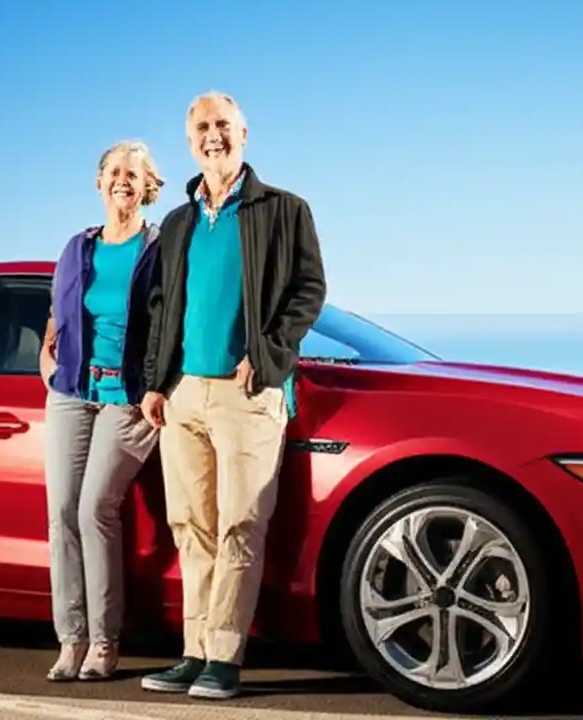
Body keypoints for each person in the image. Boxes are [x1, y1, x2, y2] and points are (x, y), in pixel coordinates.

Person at [138, 91, 327, 700]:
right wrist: (156, 382)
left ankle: (224, 657)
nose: (212, 135)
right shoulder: (178, 222)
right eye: (201, 127)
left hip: (248, 391)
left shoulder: (283, 209)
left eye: (222, 124)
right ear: (188, 139)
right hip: (184, 395)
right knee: (191, 526)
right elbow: (162, 306)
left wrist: (268, 353)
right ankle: (193, 652)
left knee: (241, 524)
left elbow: (309, 290)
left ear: (244, 133)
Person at [38, 140, 164, 682]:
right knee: (62, 512)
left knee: (95, 509)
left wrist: (157, 386)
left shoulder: (158, 249)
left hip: (128, 397)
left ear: (148, 186)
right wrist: (47, 360)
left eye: (133, 174)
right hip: (71, 392)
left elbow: (169, 323)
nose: (122, 181)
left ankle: (105, 641)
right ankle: (71, 639)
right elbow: (58, 314)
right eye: (114, 171)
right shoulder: (77, 248)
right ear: (99, 182)